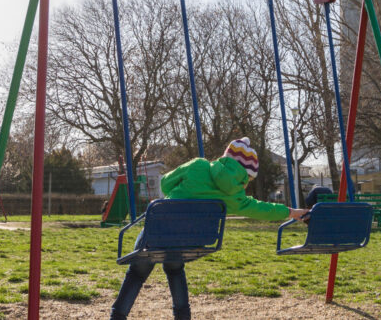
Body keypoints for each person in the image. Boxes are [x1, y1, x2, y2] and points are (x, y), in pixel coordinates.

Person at [110, 137, 308, 320]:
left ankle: (117, 316)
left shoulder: (198, 165)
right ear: (246, 174)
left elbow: (165, 183)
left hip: (159, 232)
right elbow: (262, 209)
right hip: (189, 241)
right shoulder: (234, 197)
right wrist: (292, 212)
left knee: (137, 273)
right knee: (175, 269)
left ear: (224, 158)